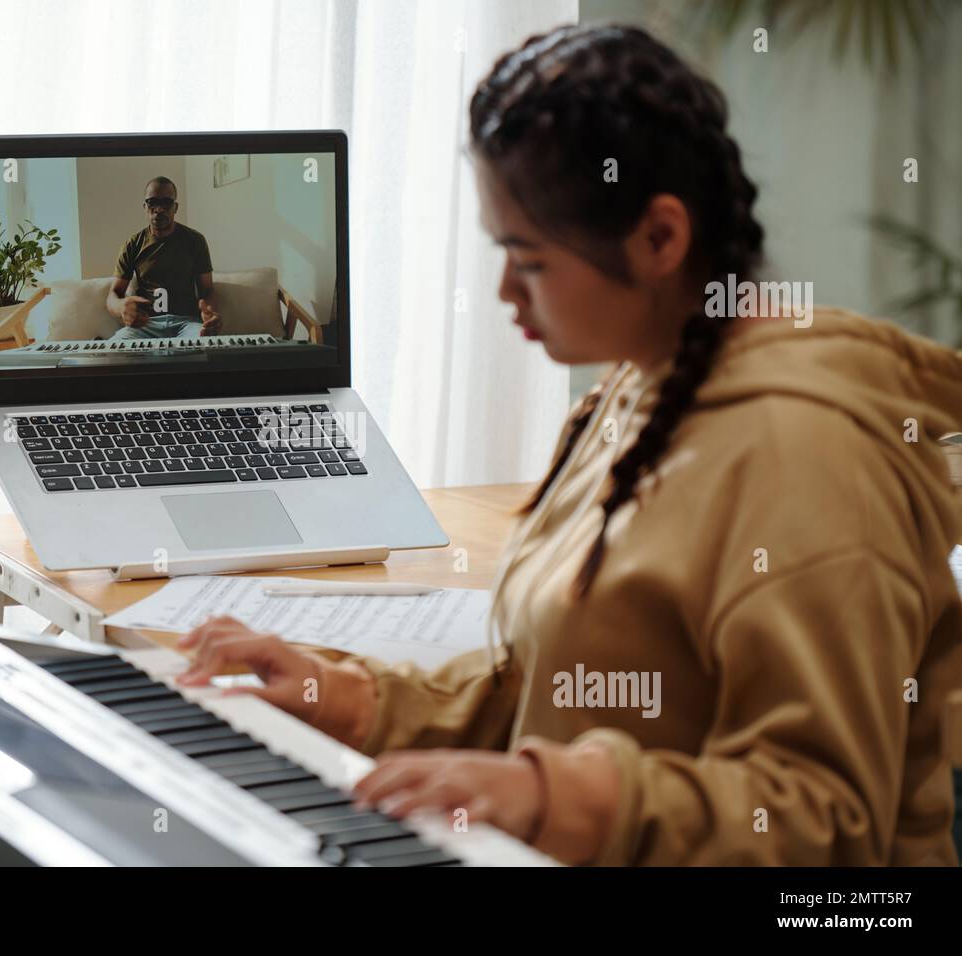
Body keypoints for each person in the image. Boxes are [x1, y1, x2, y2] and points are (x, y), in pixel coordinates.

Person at [175, 24, 962, 865]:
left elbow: (823, 822)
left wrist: (557, 797)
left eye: (531, 259)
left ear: (660, 239)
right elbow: (550, 687)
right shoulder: (635, 391)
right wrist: (348, 698)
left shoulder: (807, 459)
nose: (505, 290)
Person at [106, 175, 222, 339]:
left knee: (206, 346)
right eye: (153, 202)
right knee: (111, 353)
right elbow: (113, 294)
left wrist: (210, 313)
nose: (159, 209)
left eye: (166, 203)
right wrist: (121, 307)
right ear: (145, 206)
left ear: (175, 207)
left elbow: (207, 290)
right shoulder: (132, 245)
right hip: (145, 325)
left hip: (186, 323)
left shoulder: (195, 241)